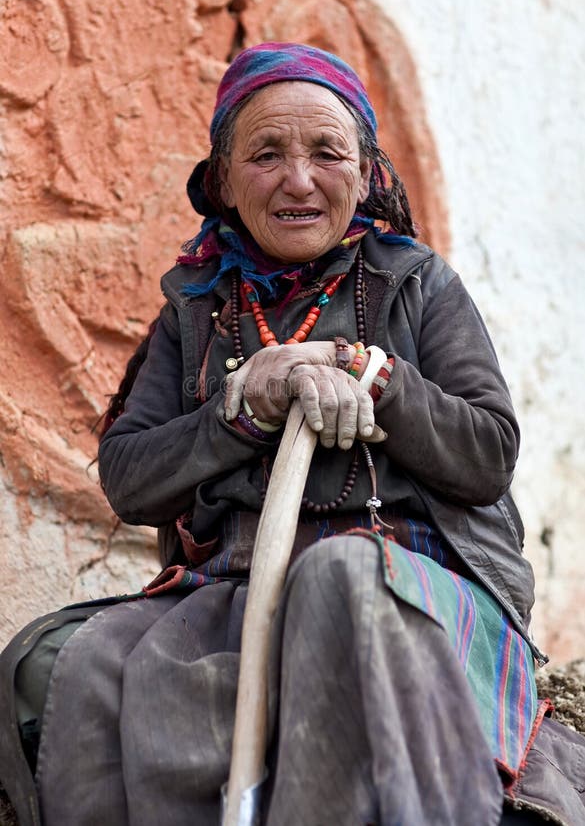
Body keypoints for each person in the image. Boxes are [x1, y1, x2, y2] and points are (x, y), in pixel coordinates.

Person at [1, 42, 584, 826]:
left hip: (407, 584)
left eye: (326, 153)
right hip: (236, 594)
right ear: (223, 181)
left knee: (338, 579)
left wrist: (371, 374)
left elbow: (485, 457)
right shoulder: (195, 308)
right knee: (51, 661)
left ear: (366, 172)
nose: (298, 180)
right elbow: (131, 481)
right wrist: (240, 410)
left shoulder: (417, 284)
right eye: (266, 154)